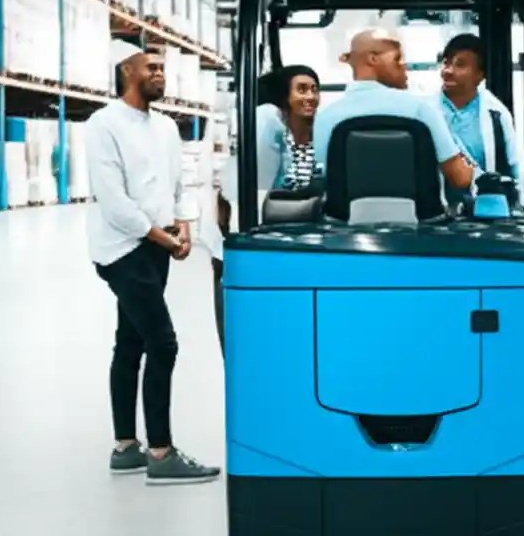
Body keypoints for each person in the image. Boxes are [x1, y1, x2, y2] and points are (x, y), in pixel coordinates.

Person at [85, 40, 220, 485]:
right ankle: (160, 453)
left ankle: (125, 447)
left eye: (163, 68)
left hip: (157, 247)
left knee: (130, 343)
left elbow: (178, 185)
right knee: (162, 343)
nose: (161, 74)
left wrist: (184, 228)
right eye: (152, 67)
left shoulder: (165, 126)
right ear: (127, 71)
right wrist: (161, 236)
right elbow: (113, 200)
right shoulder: (103, 124)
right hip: (123, 250)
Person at [203, 66, 322, 355]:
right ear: (284, 94)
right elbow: (253, 192)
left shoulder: (310, 131)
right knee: (245, 340)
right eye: (302, 89)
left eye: (315, 89)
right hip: (246, 239)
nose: (311, 96)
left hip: (284, 241)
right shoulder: (268, 121)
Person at [313, 27, 475, 194]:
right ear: (372, 59)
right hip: (419, 219)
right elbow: (461, 178)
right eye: (398, 59)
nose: (404, 67)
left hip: (346, 218)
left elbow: (319, 179)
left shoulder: (325, 118)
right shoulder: (421, 111)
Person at [433, 33, 522, 208]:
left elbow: (516, 169)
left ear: (480, 75)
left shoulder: (497, 114)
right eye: (446, 62)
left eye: (459, 65)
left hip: (484, 212)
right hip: (434, 214)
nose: (448, 71)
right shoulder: (425, 111)